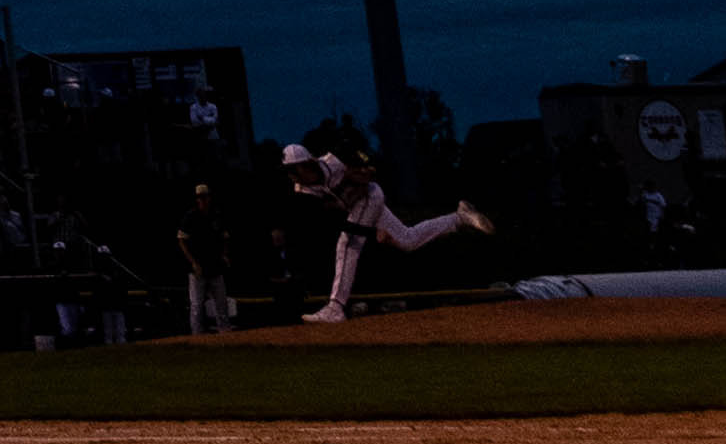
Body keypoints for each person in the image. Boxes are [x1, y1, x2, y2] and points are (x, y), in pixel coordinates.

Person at [283, 144, 493, 323]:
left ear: (307, 163)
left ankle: (336, 307)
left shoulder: (333, 161)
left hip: (370, 197)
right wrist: (370, 229)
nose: (291, 174)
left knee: (347, 244)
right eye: (288, 170)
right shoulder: (302, 189)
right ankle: (459, 217)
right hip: (355, 209)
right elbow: (329, 217)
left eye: (294, 168)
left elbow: (369, 167)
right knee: (408, 240)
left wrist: (360, 172)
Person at [177, 184, 236, 338]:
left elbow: (225, 237)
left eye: (204, 196)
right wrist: (193, 262)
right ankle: (198, 337)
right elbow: (181, 239)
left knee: (221, 303)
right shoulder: (190, 217)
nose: (202, 199)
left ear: (209, 197)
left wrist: (224, 255)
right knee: (197, 305)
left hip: (215, 265)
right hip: (198, 269)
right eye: (200, 197)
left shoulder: (216, 215)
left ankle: (225, 334)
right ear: (196, 199)